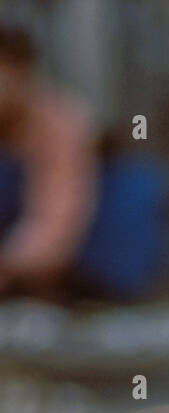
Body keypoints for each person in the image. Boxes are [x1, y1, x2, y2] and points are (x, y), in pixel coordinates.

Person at [0, 24, 98, 297]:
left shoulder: (61, 122)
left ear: (22, 73)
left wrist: (10, 266)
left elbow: (55, 223)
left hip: (40, 265)